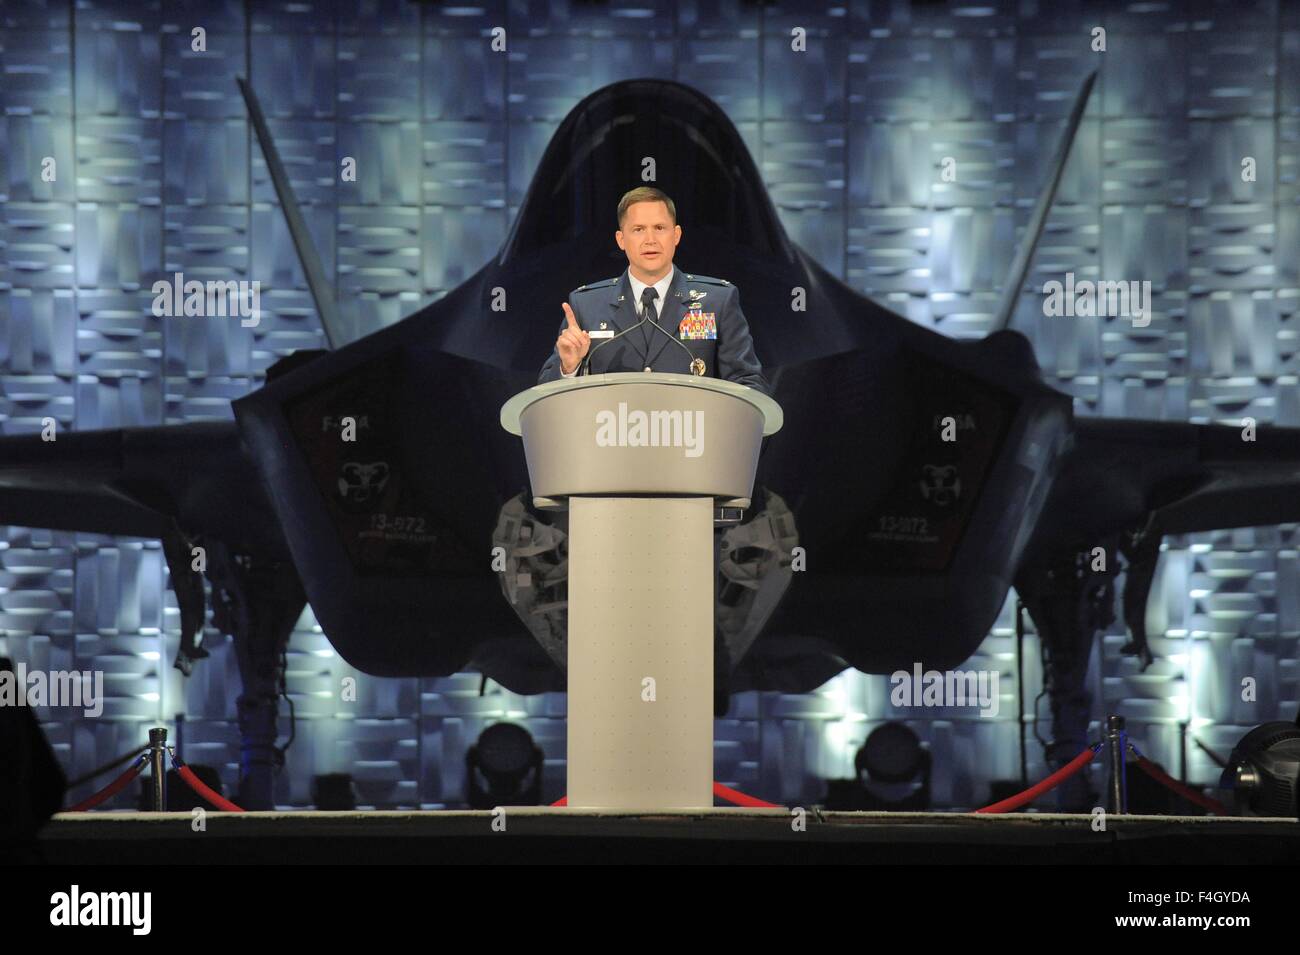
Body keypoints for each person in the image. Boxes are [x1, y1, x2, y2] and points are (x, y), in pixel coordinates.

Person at [537, 186, 769, 395]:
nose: (650, 240)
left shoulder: (718, 301)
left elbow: (748, 383)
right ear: (621, 239)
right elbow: (545, 393)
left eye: (659, 228)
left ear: (676, 235)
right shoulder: (586, 305)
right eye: (638, 229)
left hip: (693, 438)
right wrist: (568, 367)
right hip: (610, 438)